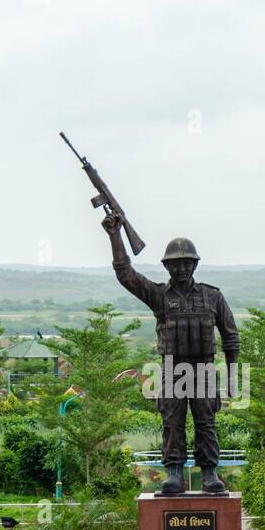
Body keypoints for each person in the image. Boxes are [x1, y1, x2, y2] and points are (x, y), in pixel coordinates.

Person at [103, 212, 239, 495]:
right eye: (175, 264)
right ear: (167, 266)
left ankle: (210, 473)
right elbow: (126, 275)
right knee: (172, 423)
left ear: (195, 264)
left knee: (206, 423)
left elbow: (230, 337)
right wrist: (115, 235)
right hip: (171, 370)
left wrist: (233, 378)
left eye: (187, 262)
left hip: (203, 370)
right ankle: (174, 473)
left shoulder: (213, 296)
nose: (181, 268)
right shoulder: (159, 296)